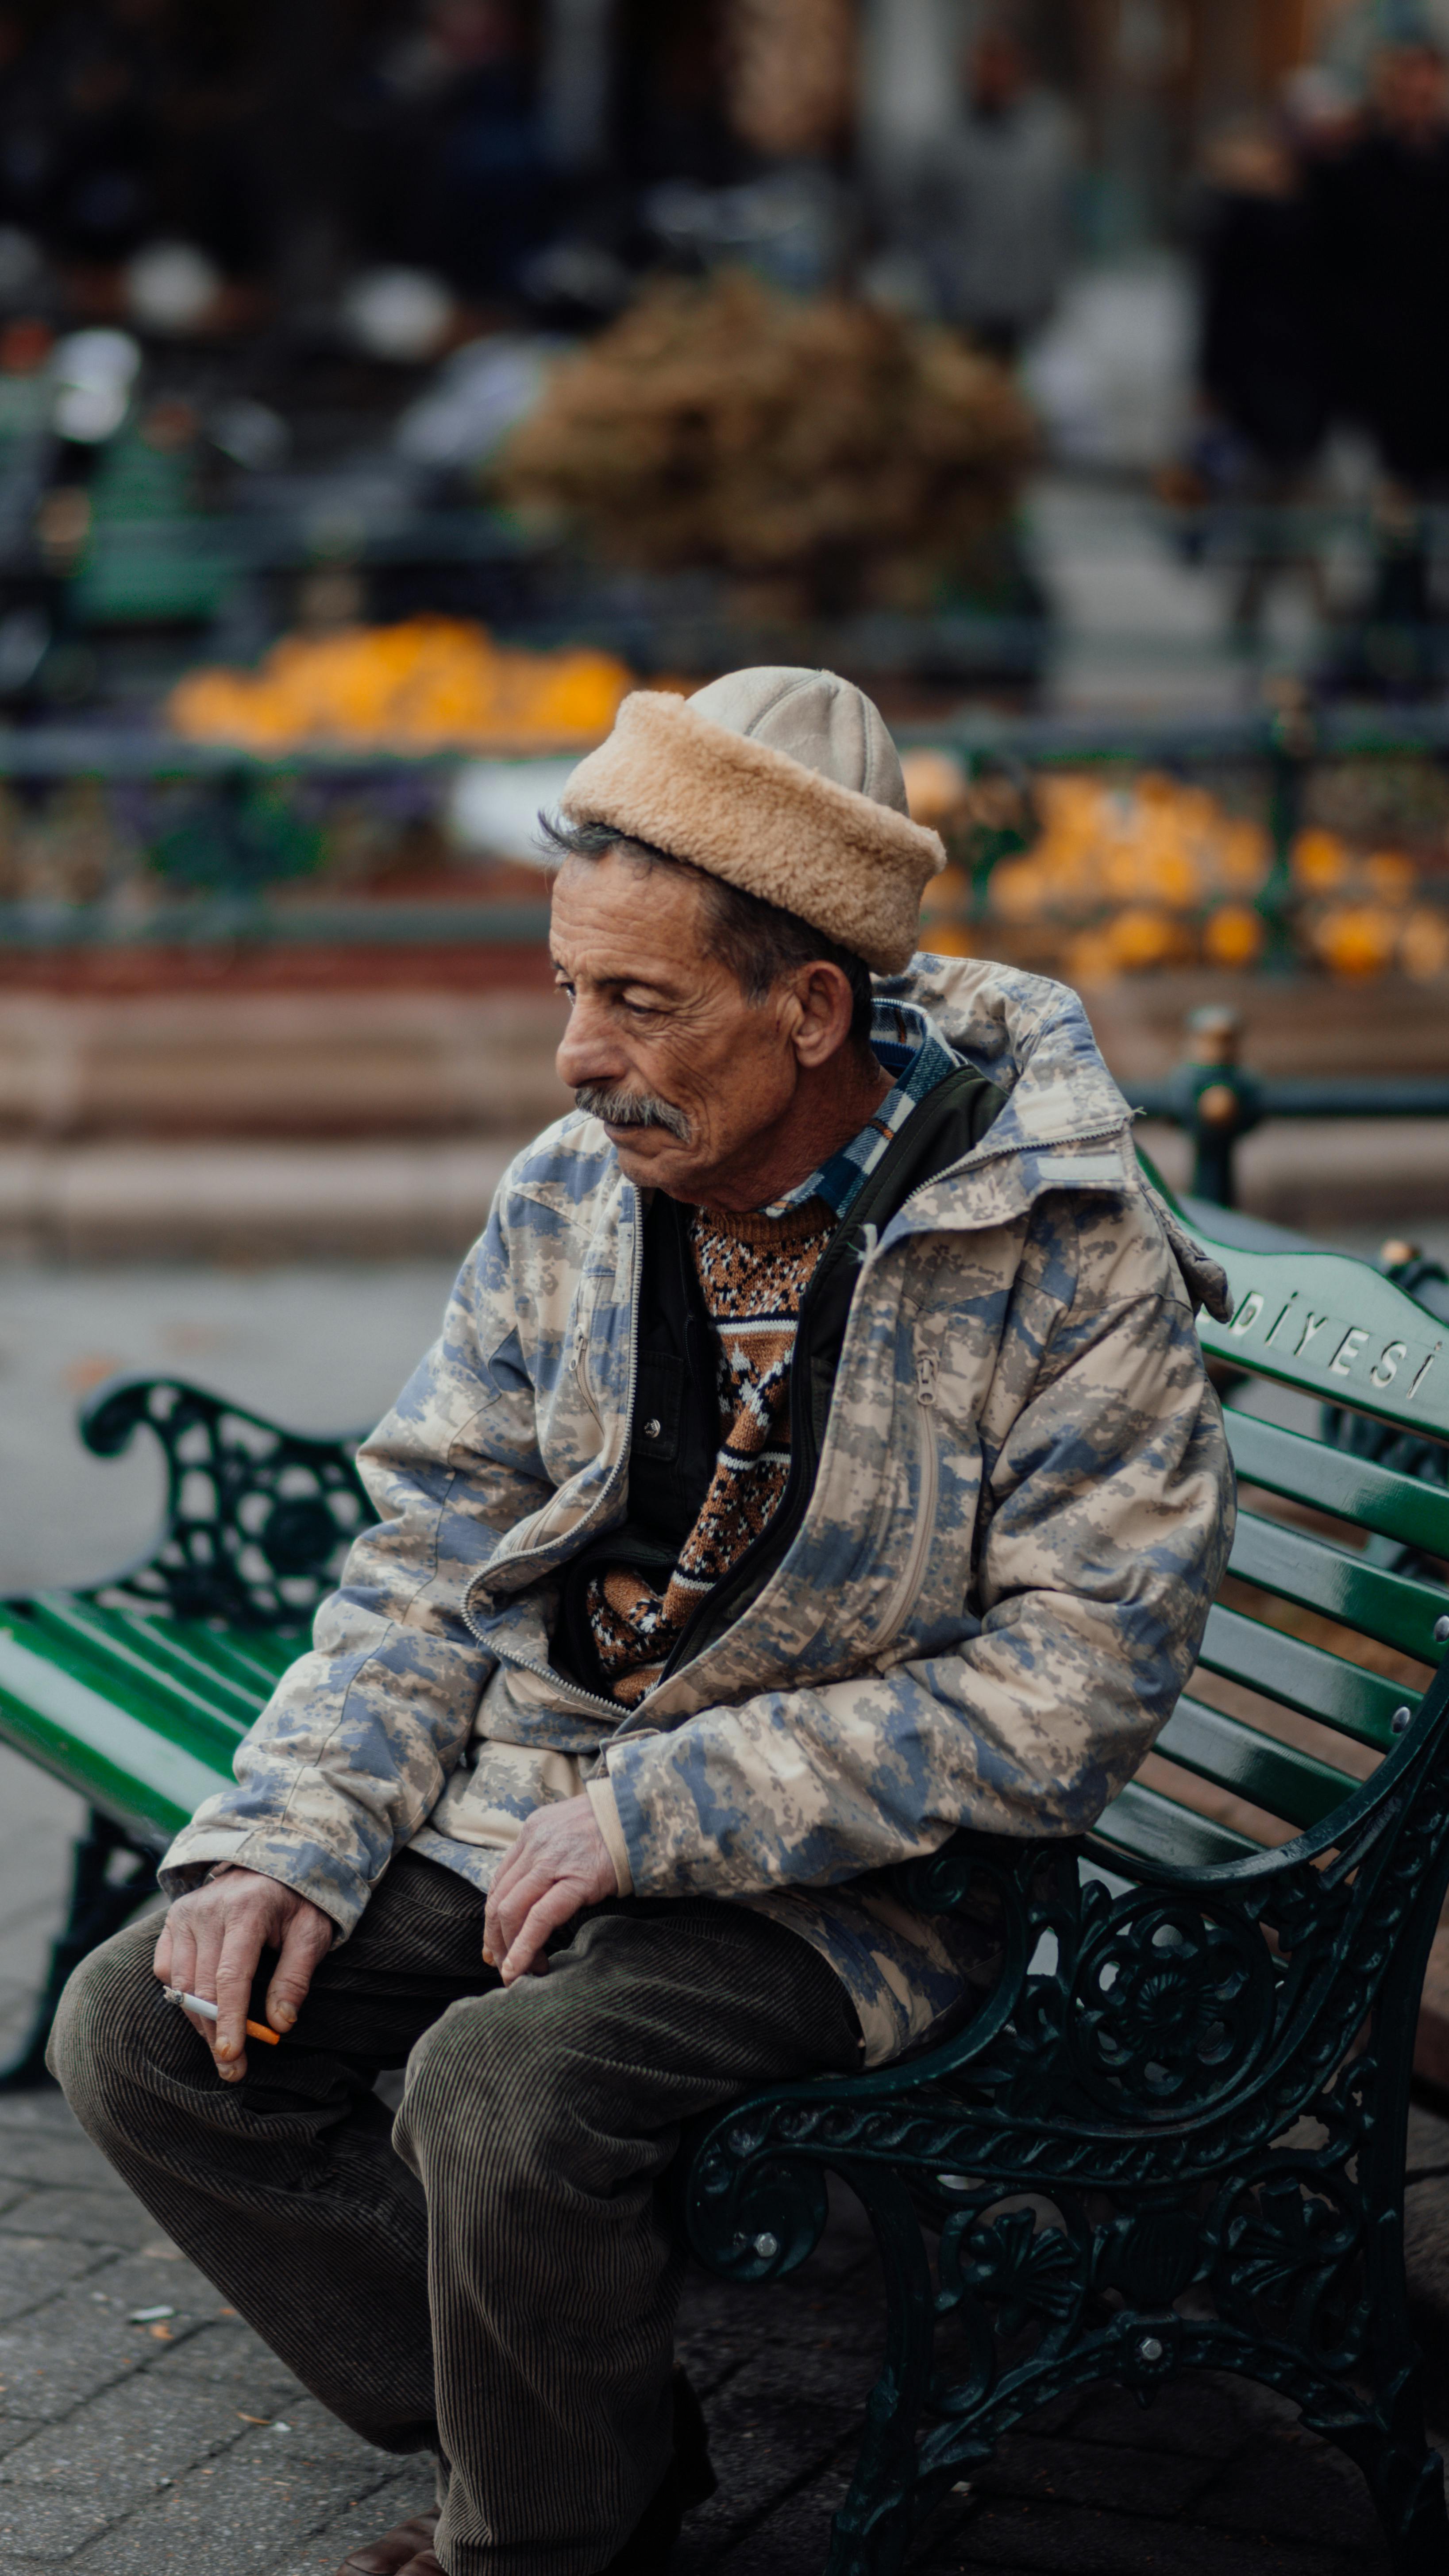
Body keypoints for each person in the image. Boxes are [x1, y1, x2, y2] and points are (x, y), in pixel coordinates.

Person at [52, 667, 1235, 2576]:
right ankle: (572, 2435)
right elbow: (430, 1549)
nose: (573, 1055)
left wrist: (660, 1812)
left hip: (859, 1884)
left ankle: (539, 2533)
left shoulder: (1056, 1244)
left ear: (809, 1008)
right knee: (150, 2029)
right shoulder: (572, 1196)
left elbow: (1077, 1679)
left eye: (636, 1000)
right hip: (541, 1802)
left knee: (499, 2088)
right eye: (565, 987)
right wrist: (288, 1832)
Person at [910, 27, 1075, 360]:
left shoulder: (1041, 139)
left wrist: (1049, 287)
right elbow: (920, 219)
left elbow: (1054, 220)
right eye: (986, 66)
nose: (994, 76)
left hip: (1023, 307)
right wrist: (943, 279)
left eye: (1002, 65)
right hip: (963, 309)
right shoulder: (945, 143)